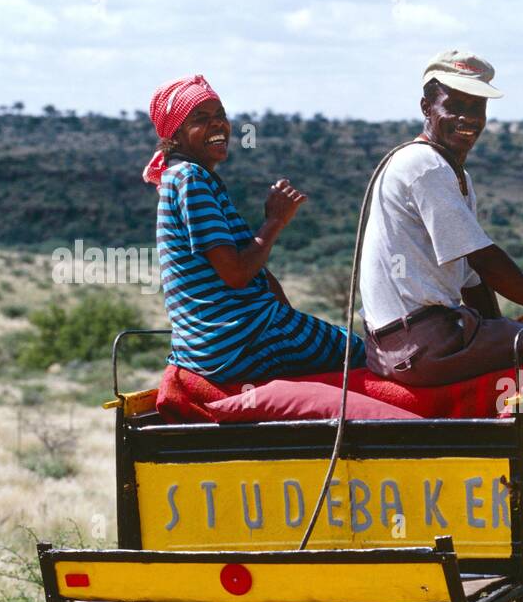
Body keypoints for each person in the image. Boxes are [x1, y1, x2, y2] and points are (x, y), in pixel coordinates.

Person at [358, 50, 523, 386]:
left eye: (476, 108)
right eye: (454, 106)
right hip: (421, 345)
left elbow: (474, 279)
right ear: (426, 108)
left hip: (419, 339)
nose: (467, 119)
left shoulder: (452, 172)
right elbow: (485, 260)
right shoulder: (425, 166)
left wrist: (499, 329)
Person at [144, 74, 365, 384]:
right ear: (175, 135)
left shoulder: (189, 178)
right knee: (361, 353)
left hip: (231, 338)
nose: (218, 125)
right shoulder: (190, 179)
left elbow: (254, 271)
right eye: (201, 118)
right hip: (237, 340)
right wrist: (275, 221)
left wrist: (293, 322)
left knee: (341, 344)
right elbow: (236, 273)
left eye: (220, 115)